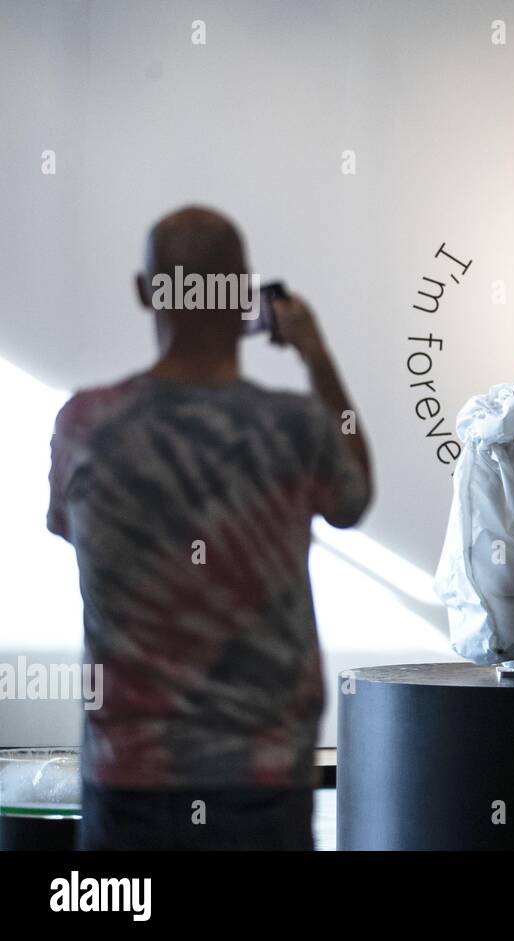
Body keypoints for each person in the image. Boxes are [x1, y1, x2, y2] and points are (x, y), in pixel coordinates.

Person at [47, 206, 371, 849]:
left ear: (147, 294)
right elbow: (352, 498)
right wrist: (316, 354)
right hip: (261, 785)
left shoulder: (85, 426)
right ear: (244, 293)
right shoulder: (295, 426)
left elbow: (67, 527)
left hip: (127, 782)